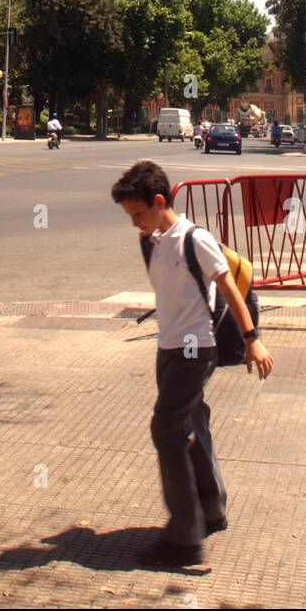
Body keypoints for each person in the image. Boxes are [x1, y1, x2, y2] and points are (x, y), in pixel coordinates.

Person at [111, 160, 273, 568]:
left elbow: (230, 289)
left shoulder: (194, 239)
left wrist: (252, 339)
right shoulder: (151, 240)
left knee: (166, 426)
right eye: (130, 217)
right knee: (191, 423)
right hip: (167, 349)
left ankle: (185, 537)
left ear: (160, 201)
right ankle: (211, 506)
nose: (135, 224)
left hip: (195, 349)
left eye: (139, 214)